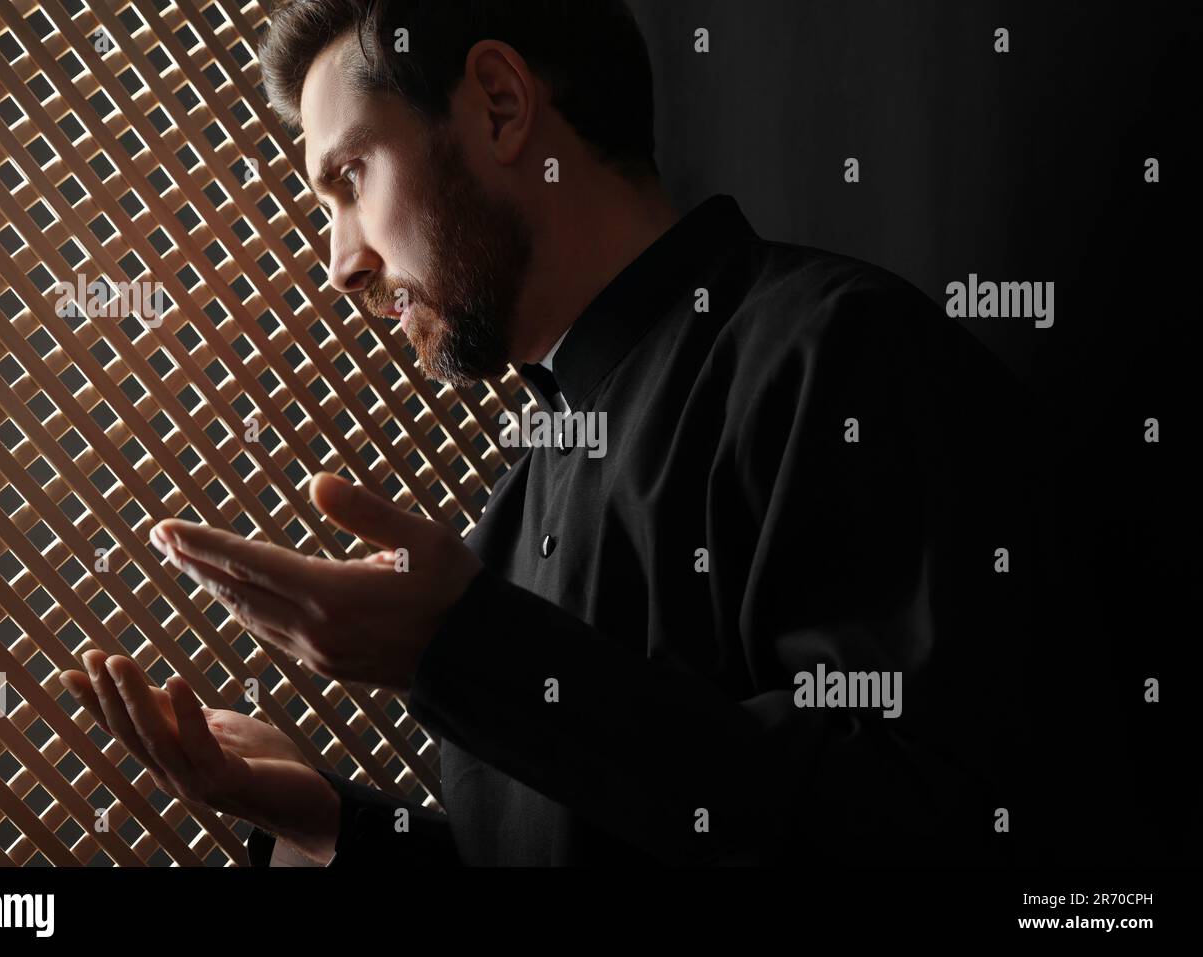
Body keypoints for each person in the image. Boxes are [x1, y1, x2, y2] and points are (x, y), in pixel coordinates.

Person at [60, 0, 1058, 867]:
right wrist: (319, 817)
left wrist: (461, 652)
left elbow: (921, 827)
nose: (340, 265)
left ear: (500, 104)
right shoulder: (514, 504)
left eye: (351, 177)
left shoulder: (836, 355)